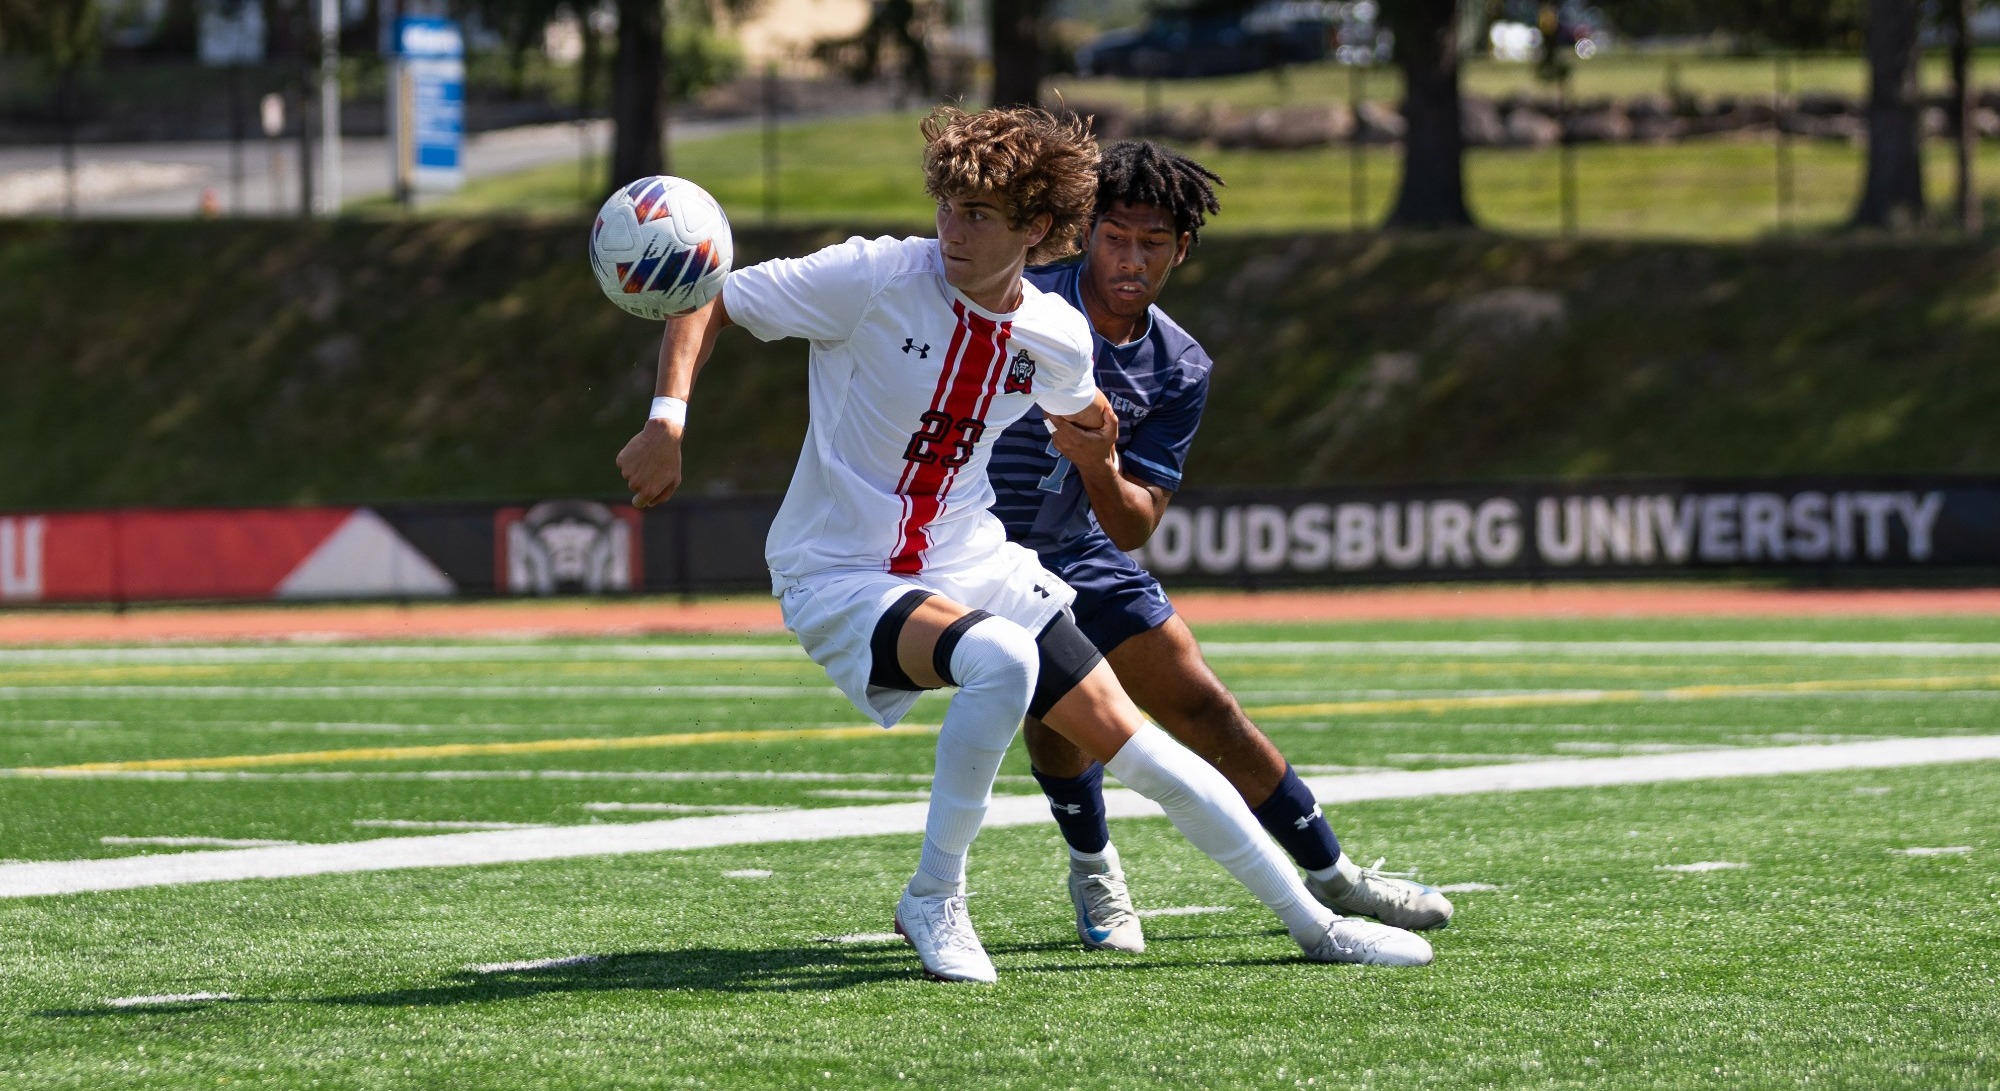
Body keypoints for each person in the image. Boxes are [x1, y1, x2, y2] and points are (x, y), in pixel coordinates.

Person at [617, 106, 1433, 983]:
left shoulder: (1055, 331)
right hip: (843, 571)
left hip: (974, 560)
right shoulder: (873, 274)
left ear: (1038, 229)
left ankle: (1316, 925)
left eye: (978, 215)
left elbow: (1084, 413)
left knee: (1143, 744)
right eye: (946, 206)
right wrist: (668, 420)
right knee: (1001, 660)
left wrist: (1098, 445)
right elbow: (710, 296)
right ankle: (934, 895)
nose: (950, 231)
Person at [987, 141, 1455, 954]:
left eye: (1153, 242)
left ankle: (1335, 876)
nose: (1131, 259)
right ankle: (1091, 864)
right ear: (1084, 233)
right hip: (972, 545)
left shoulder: (1180, 364)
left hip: (1081, 547)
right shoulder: (1017, 300)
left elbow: (1135, 524)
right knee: (1060, 697)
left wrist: (1097, 461)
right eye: (1115, 238)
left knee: (1208, 706)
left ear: (1183, 248)